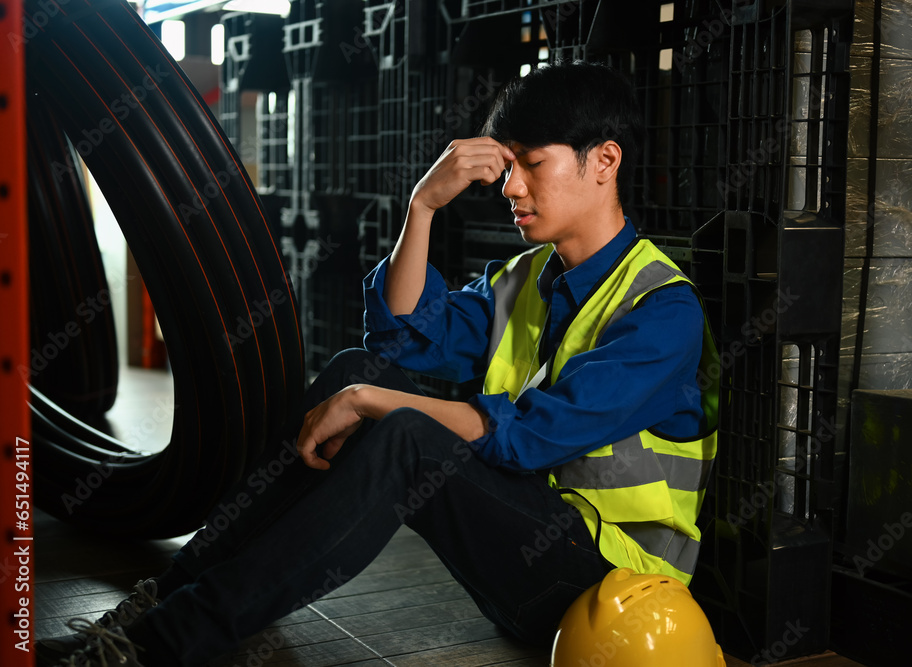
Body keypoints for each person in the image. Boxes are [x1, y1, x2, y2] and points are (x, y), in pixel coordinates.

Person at [37, 60, 719, 667]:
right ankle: (153, 608)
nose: (510, 187)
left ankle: (157, 647)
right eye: (504, 166)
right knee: (352, 369)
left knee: (402, 430)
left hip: (607, 592)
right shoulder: (525, 278)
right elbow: (402, 336)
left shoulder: (661, 311)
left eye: (531, 163)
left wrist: (372, 402)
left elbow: (527, 435)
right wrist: (421, 204)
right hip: (521, 544)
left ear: (603, 161)